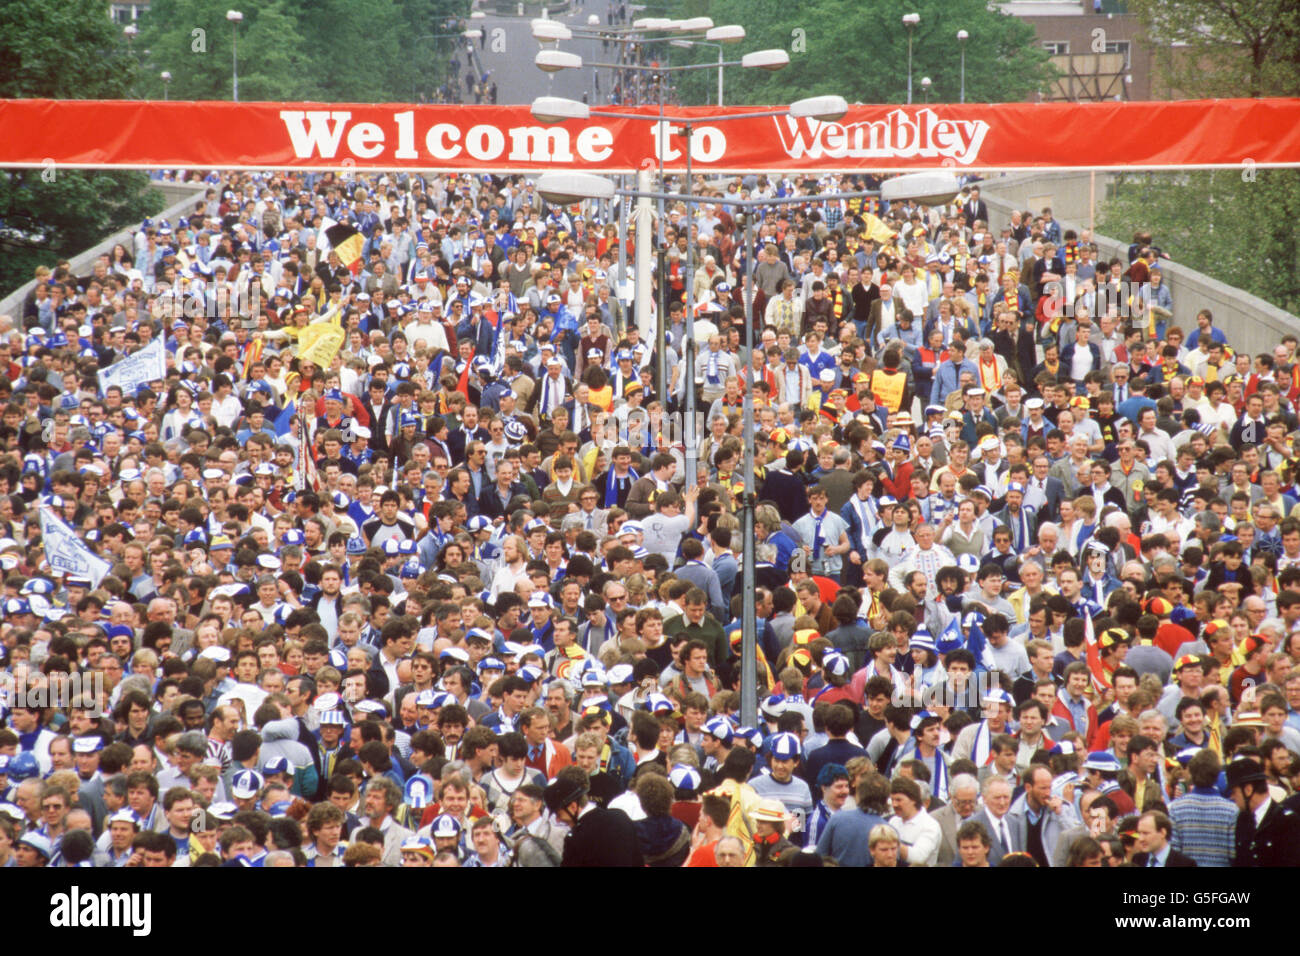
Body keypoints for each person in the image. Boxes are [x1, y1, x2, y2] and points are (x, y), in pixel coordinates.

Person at [544, 766, 643, 867]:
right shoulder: (620, 816)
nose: (557, 819)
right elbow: (638, 859)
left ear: (573, 807)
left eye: (558, 814)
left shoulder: (576, 839)